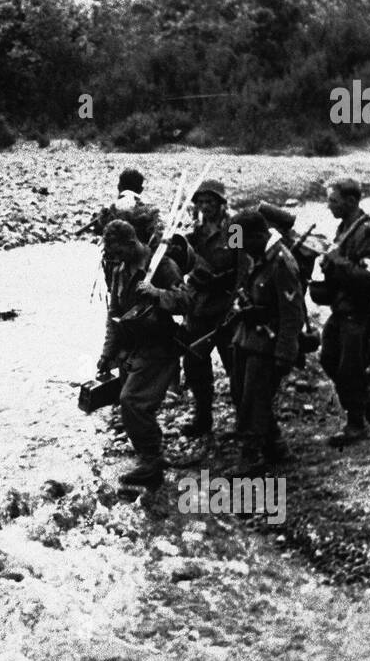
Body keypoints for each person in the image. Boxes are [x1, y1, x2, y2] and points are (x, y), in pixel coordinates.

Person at [96, 218, 188, 488]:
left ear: (131, 242)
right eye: (112, 255)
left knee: (132, 401)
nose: (116, 259)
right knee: (133, 403)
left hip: (159, 345)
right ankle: (149, 458)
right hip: (133, 347)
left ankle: (152, 461)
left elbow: (185, 302)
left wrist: (156, 293)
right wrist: (106, 354)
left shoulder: (162, 266)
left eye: (119, 252)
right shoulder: (119, 270)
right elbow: (113, 315)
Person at [226, 209, 305, 476]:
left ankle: (250, 456)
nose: (241, 248)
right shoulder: (256, 254)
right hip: (247, 337)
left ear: (259, 235)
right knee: (240, 392)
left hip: (267, 343)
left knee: (254, 398)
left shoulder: (281, 261)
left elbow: (293, 312)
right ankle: (276, 447)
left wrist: (286, 352)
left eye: (243, 241)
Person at [315, 179, 370, 446]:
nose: (329, 205)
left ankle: (356, 423)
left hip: (362, 312)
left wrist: (337, 263)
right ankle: (368, 402)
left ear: (351, 201)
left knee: (350, 368)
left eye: (333, 200)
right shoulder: (344, 229)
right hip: (343, 308)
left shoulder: (367, 232)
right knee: (328, 359)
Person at [180, 178, 240, 438]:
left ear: (221, 203)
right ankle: (202, 418)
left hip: (225, 307)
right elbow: (183, 260)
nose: (205, 206)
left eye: (210, 201)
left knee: (235, 366)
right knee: (195, 365)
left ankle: (244, 420)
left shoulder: (233, 228)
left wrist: (230, 289)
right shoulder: (194, 230)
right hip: (199, 307)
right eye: (201, 202)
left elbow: (241, 264)